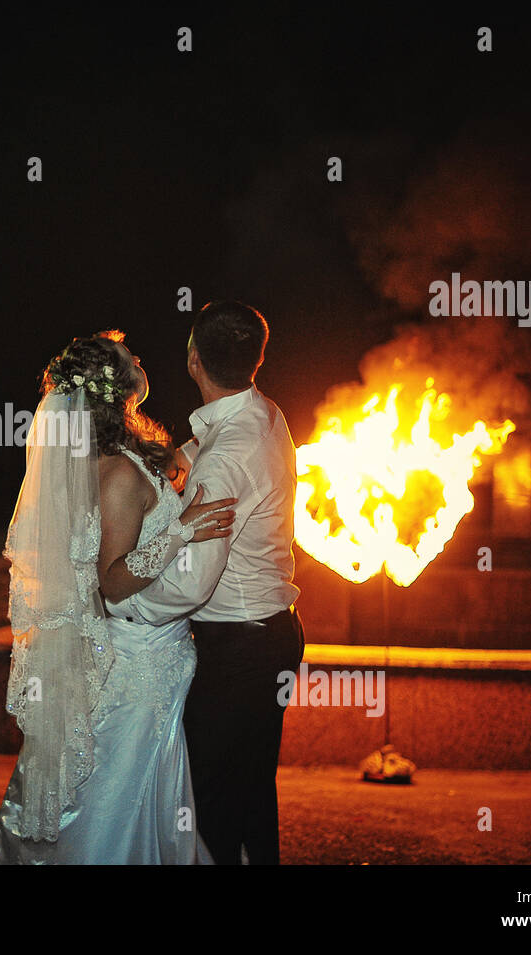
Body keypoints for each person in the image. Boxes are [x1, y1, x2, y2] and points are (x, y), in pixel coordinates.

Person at [0, 329, 235, 864]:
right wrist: (182, 530)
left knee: (146, 795)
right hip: (136, 667)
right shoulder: (118, 473)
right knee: (113, 800)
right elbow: (114, 579)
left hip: (155, 659)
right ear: (114, 386)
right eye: (130, 357)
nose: (140, 357)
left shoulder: (119, 456)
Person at [105, 300, 304, 865]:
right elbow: (202, 450)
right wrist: (169, 456)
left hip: (238, 648)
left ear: (193, 358)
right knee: (251, 793)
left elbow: (192, 586)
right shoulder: (265, 414)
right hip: (272, 635)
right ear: (255, 361)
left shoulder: (224, 461)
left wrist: (125, 605)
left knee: (210, 804)